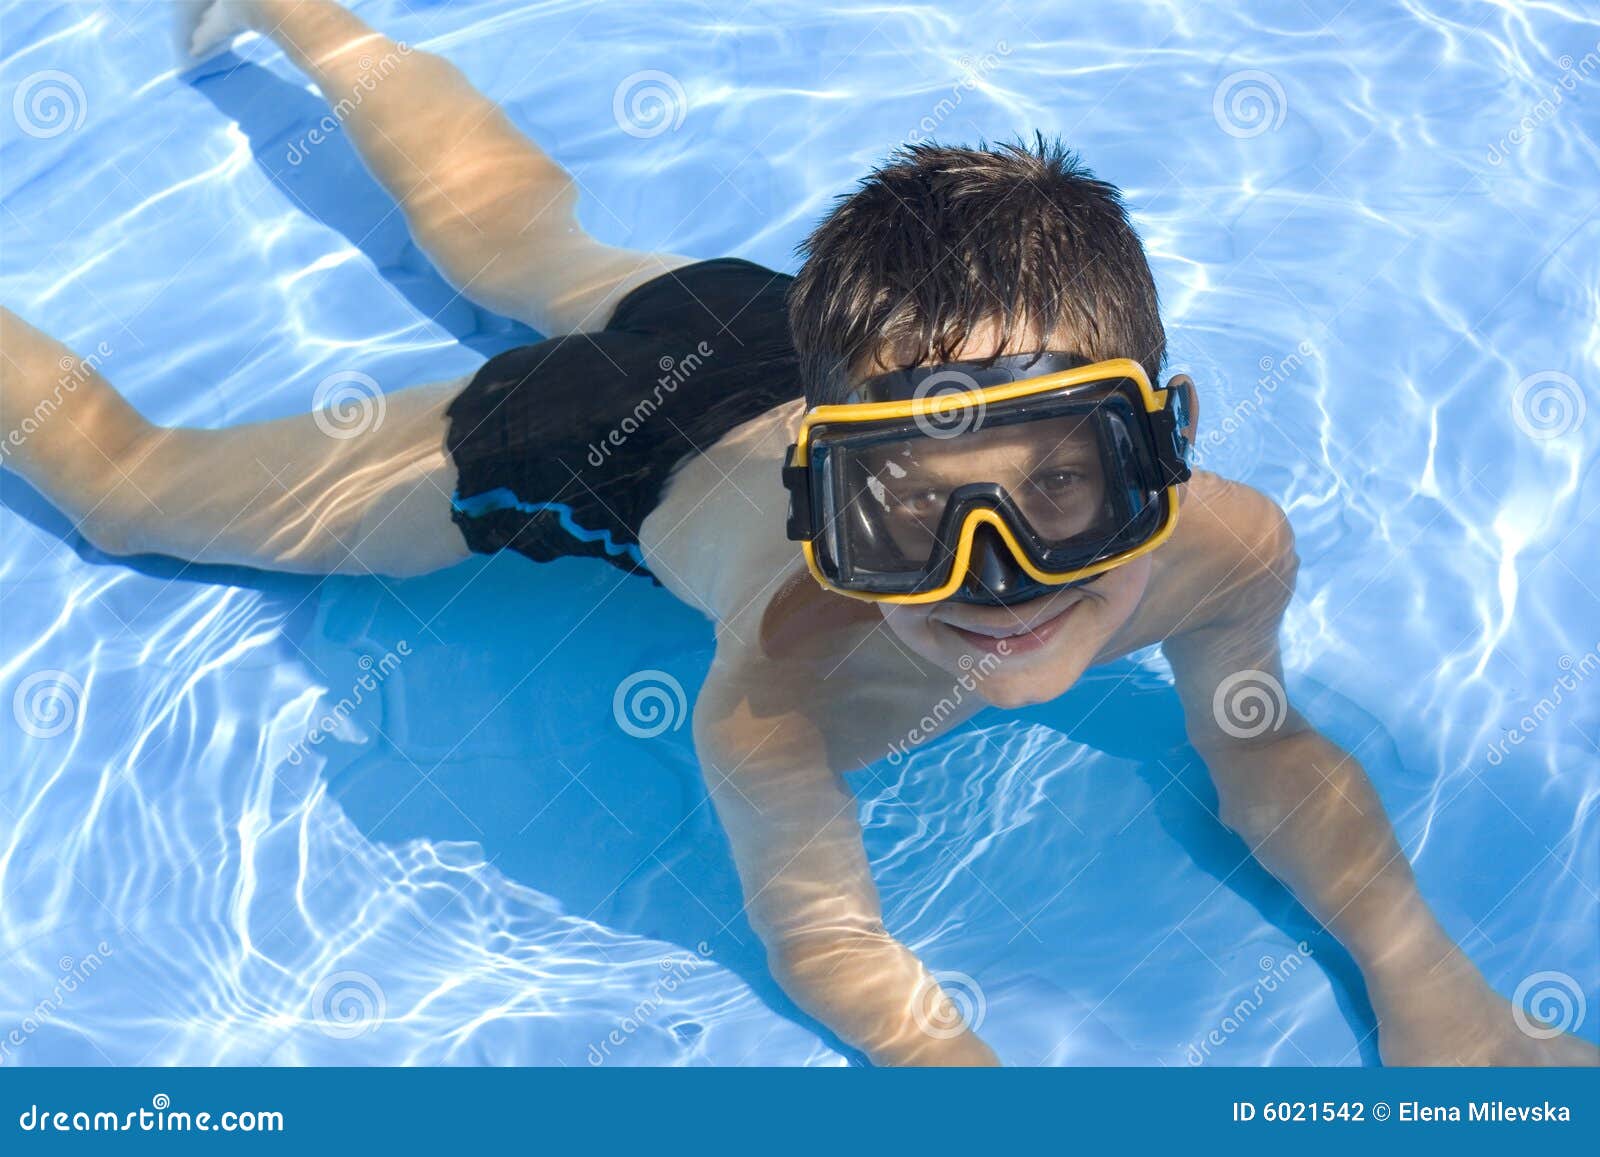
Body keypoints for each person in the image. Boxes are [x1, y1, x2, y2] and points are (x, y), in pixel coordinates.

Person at [2, 0, 1592, 1067]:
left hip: (777, 340)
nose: (997, 586)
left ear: (1161, 444)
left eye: (1059, 489)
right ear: (831, 514)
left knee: (524, 233)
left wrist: (1431, 988)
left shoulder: (1227, 548)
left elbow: (1268, 749)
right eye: (909, 515)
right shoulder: (778, 694)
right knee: (128, 486)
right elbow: (826, 938)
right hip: (597, 444)